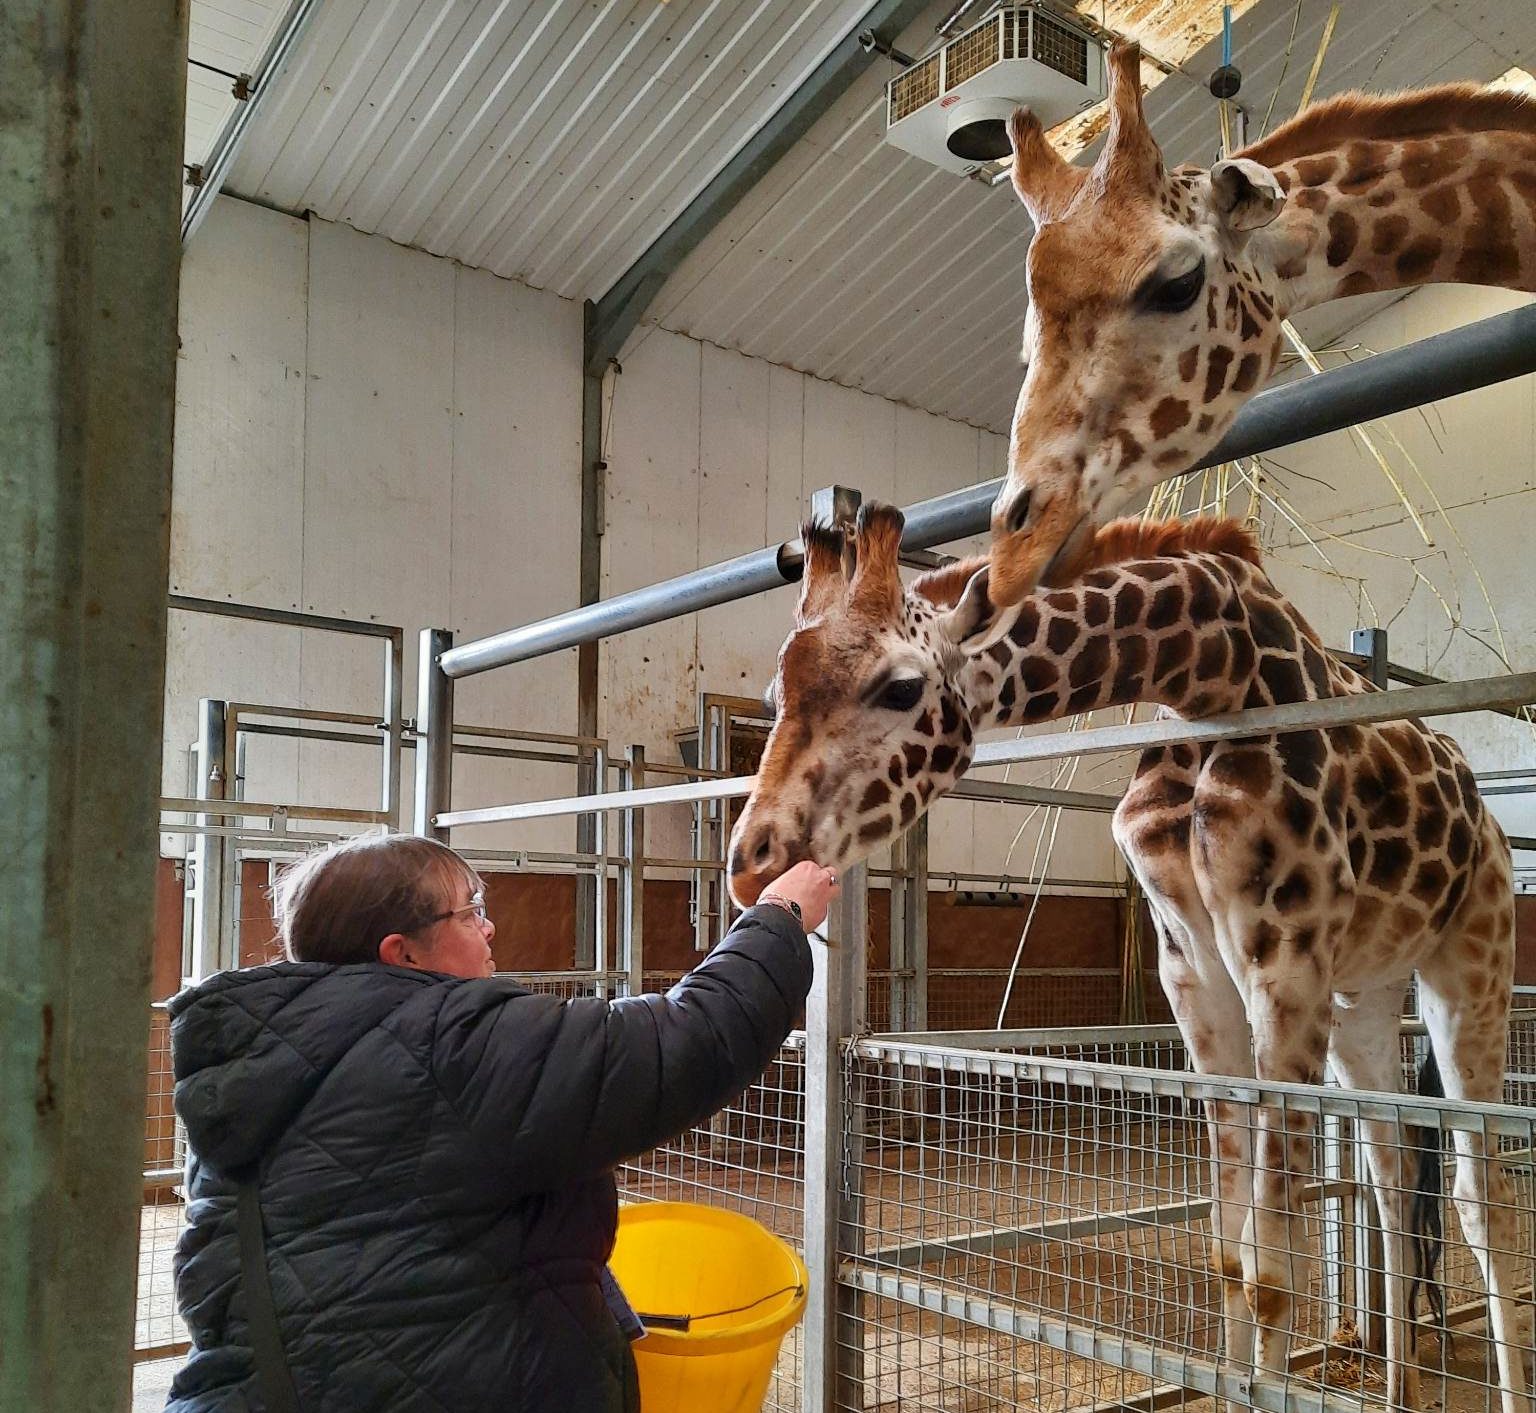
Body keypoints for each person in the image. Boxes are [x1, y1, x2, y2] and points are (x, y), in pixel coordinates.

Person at [165, 832, 837, 1412]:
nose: (488, 928)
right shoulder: (448, 1038)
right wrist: (778, 918)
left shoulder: (255, 1064)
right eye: (469, 912)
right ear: (403, 953)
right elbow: (685, 1040)